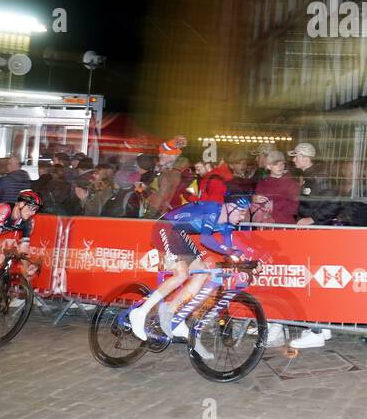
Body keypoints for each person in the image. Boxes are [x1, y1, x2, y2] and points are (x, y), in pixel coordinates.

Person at [127, 194, 253, 358]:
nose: (243, 217)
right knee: (181, 274)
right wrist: (231, 252)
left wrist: (244, 258)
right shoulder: (212, 211)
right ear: (229, 208)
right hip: (165, 227)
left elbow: (229, 247)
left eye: (245, 213)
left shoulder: (228, 224)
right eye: (241, 212)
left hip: (179, 233)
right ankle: (140, 312)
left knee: (201, 273)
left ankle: (172, 313)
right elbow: (206, 239)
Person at [291, 143, 343, 226]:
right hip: (309, 227)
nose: (293, 160)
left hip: (317, 227)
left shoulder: (320, 176)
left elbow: (334, 204)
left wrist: (313, 219)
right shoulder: (308, 176)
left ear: (306, 158)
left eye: (296, 157)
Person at [252, 149, 299, 225]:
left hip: (286, 225)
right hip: (265, 225)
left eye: (282, 164)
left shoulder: (292, 183)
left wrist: (273, 205)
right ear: (269, 166)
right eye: (276, 164)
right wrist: (254, 199)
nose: (280, 166)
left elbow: (295, 207)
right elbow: (258, 206)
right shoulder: (262, 183)